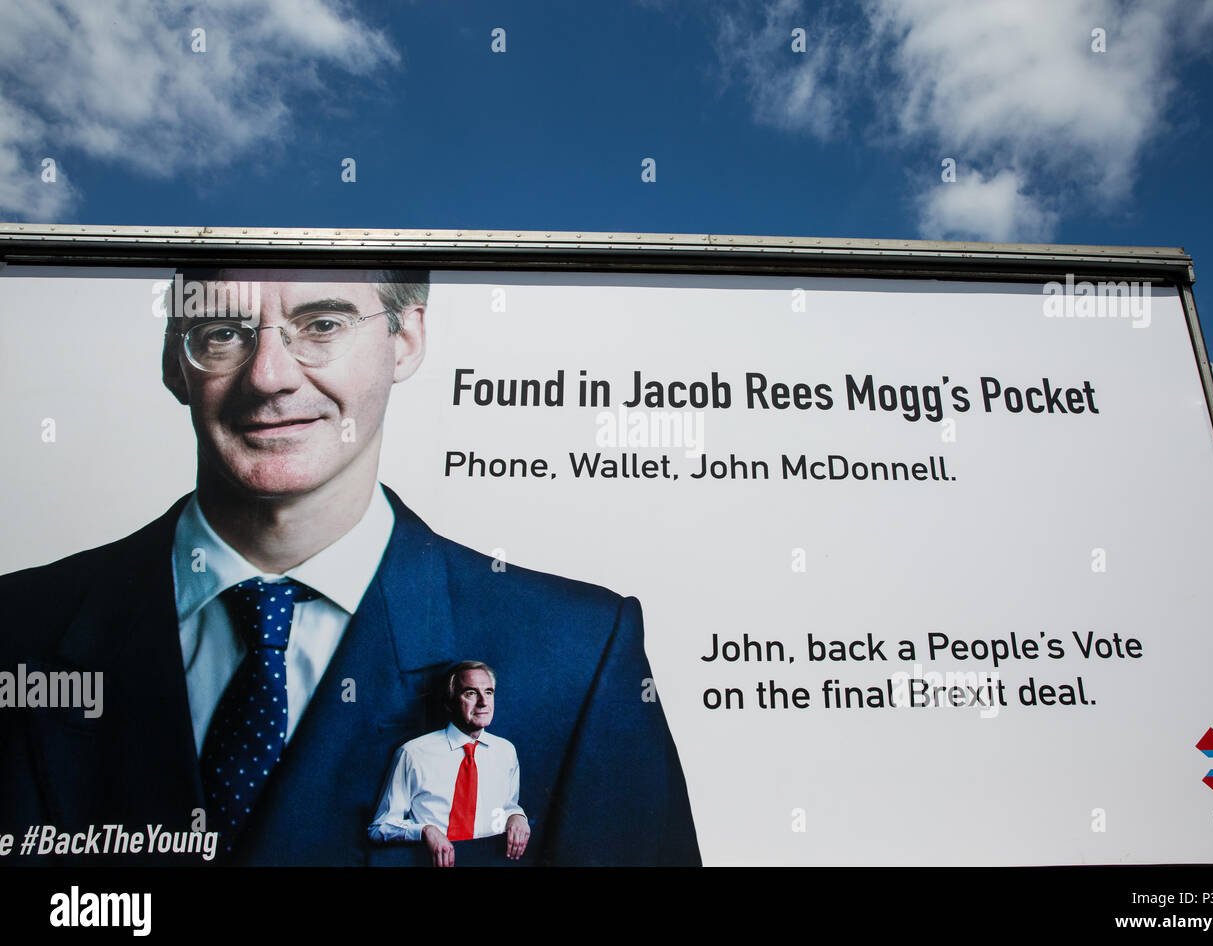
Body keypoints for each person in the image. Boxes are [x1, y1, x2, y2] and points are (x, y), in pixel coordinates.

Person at [0, 268, 700, 866]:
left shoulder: (578, 656)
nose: (269, 377)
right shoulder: (16, 629)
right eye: (223, 333)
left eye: (323, 324)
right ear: (171, 360)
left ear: (407, 338)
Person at [369, 661, 529, 866]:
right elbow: (380, 827)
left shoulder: (506, 752)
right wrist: (426, 831)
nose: (483, 702)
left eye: (488, 692)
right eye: (471, 693)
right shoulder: (414, 753)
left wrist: (517, 816)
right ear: (450, 702)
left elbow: (506, 807)